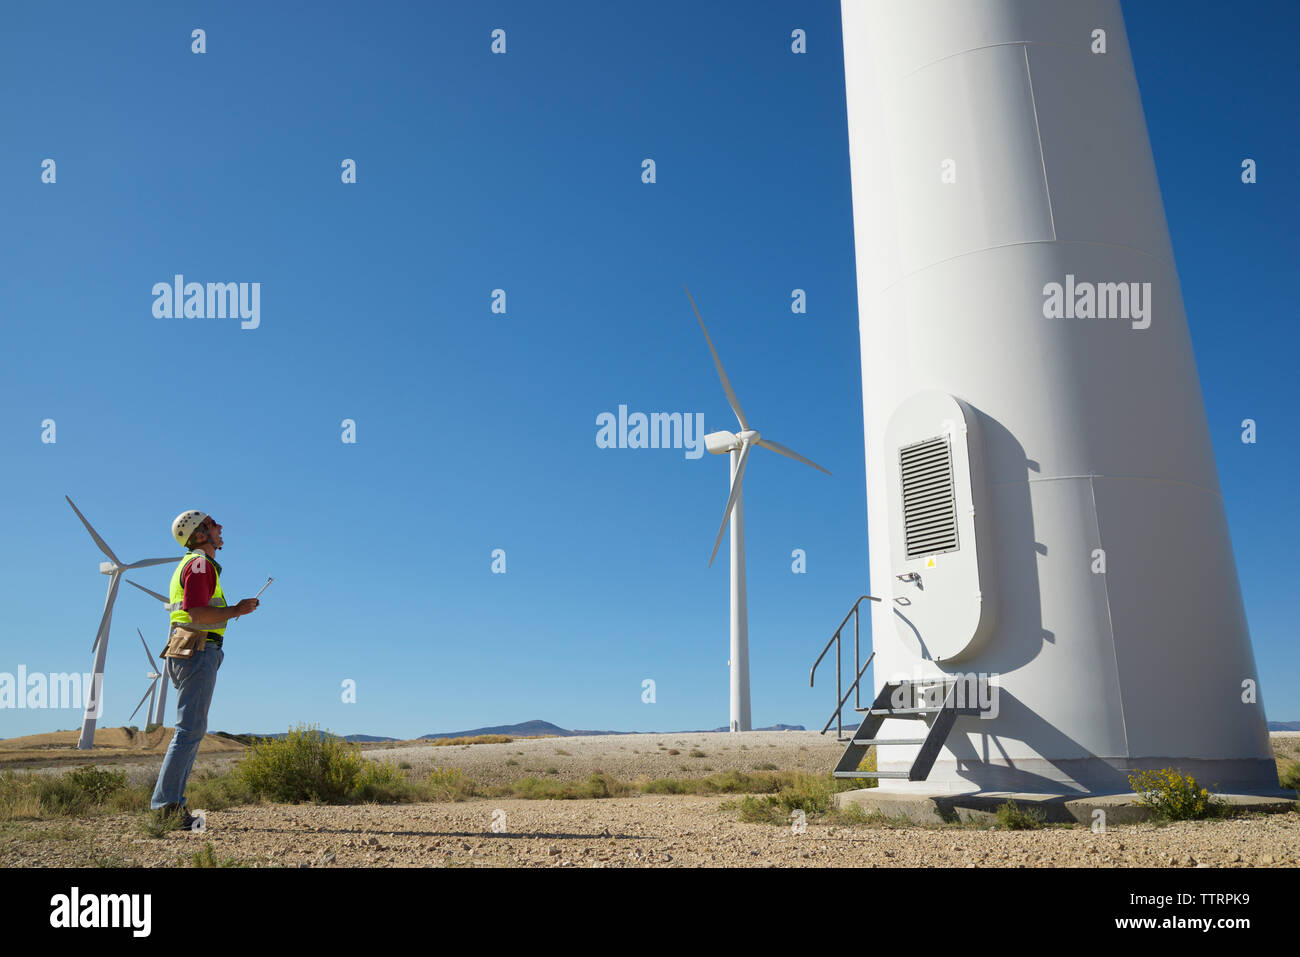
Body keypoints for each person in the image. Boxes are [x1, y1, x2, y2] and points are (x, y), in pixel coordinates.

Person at [149, 510, 260, 828]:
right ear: (200, 535)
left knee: (191, 730)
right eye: (213, 524)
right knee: (188, 731)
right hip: (196, 648)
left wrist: (234, 610)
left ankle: (169, 805)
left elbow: (198, 611)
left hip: (189, 648)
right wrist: (237, 609)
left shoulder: (195, 565)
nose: (220, 527)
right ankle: (165, 809)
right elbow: (196, 613)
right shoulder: (200, 564)